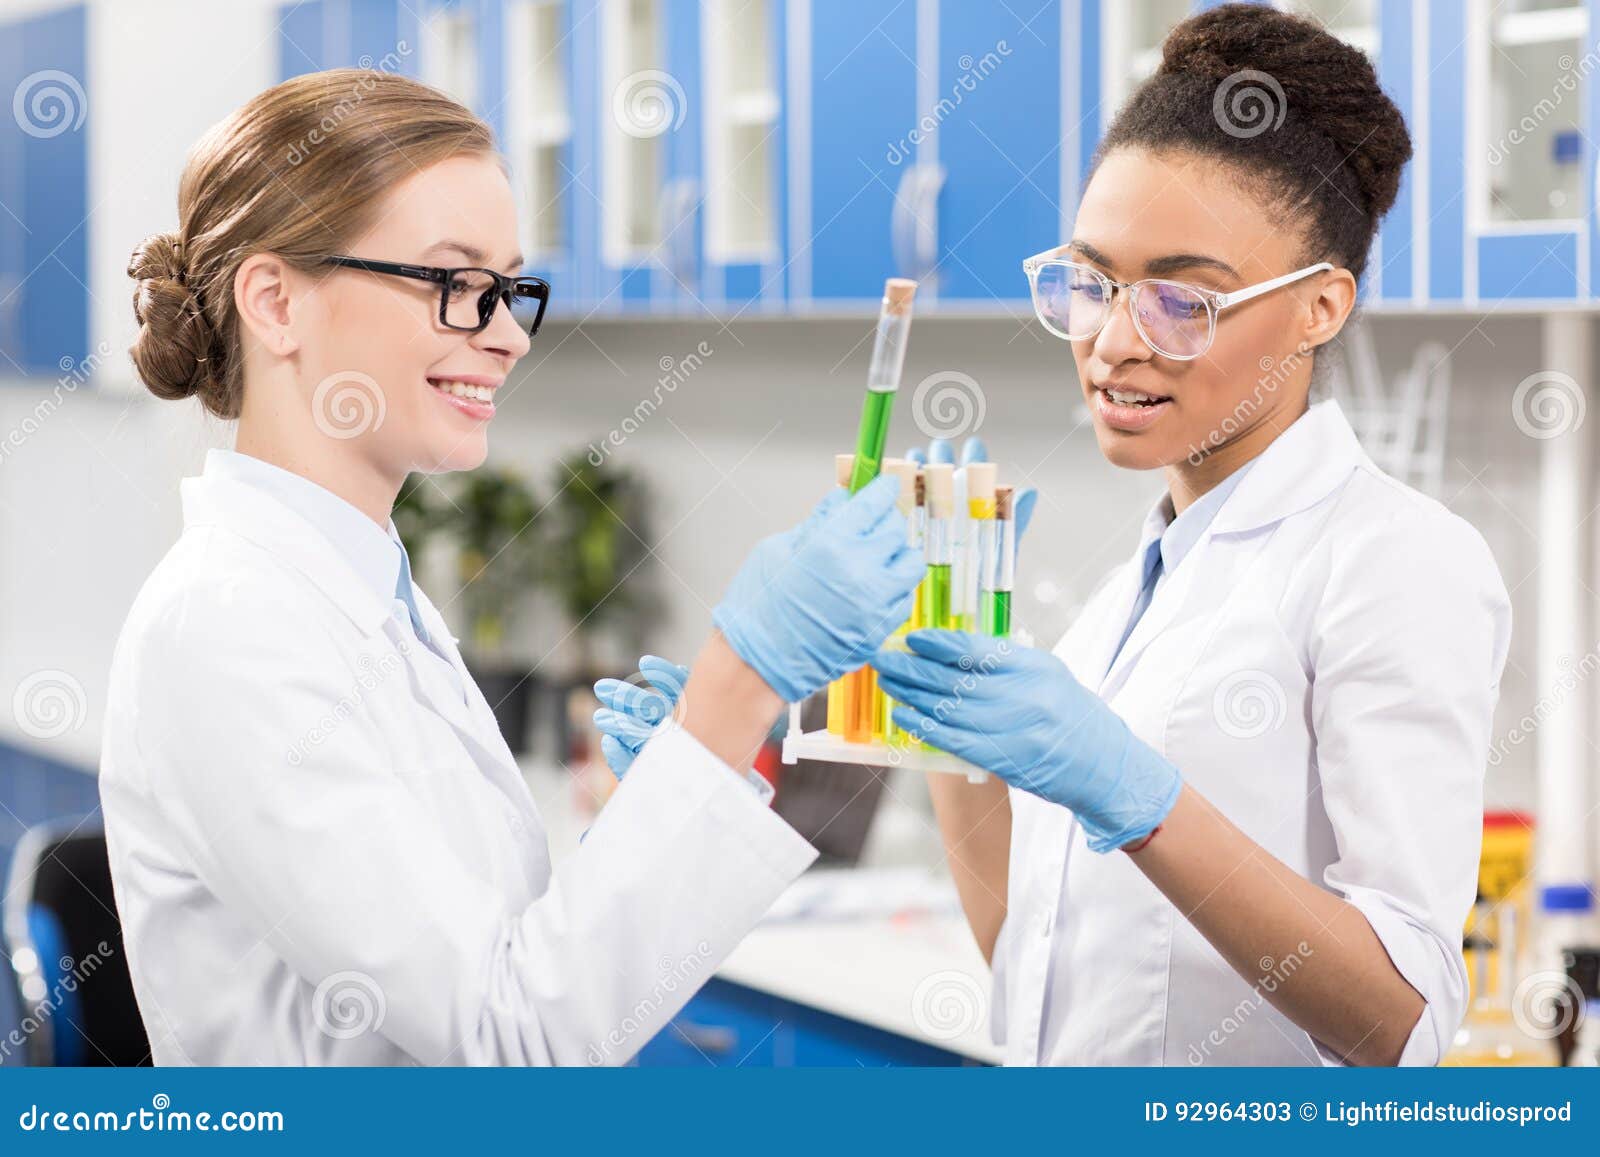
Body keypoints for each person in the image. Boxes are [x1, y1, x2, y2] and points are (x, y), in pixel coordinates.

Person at [595, 4, 1512, 1066]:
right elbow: (1024, 972)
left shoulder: (1396, 562)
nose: (1113, 341)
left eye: (1181, 298)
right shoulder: (1141, 581)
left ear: (1318, 307)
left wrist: (1130, 788)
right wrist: (932, 718)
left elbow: (1403, 1018)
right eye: (1091, 282)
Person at [98, 70, 923, 1066]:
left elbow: (504, 959)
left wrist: (669, 790)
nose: (507, 331)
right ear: (276, 301)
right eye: (454, 285)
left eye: (509, 286)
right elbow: (509, 1040)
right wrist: (731, 693)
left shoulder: (364, 595)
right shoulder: (228, 626)